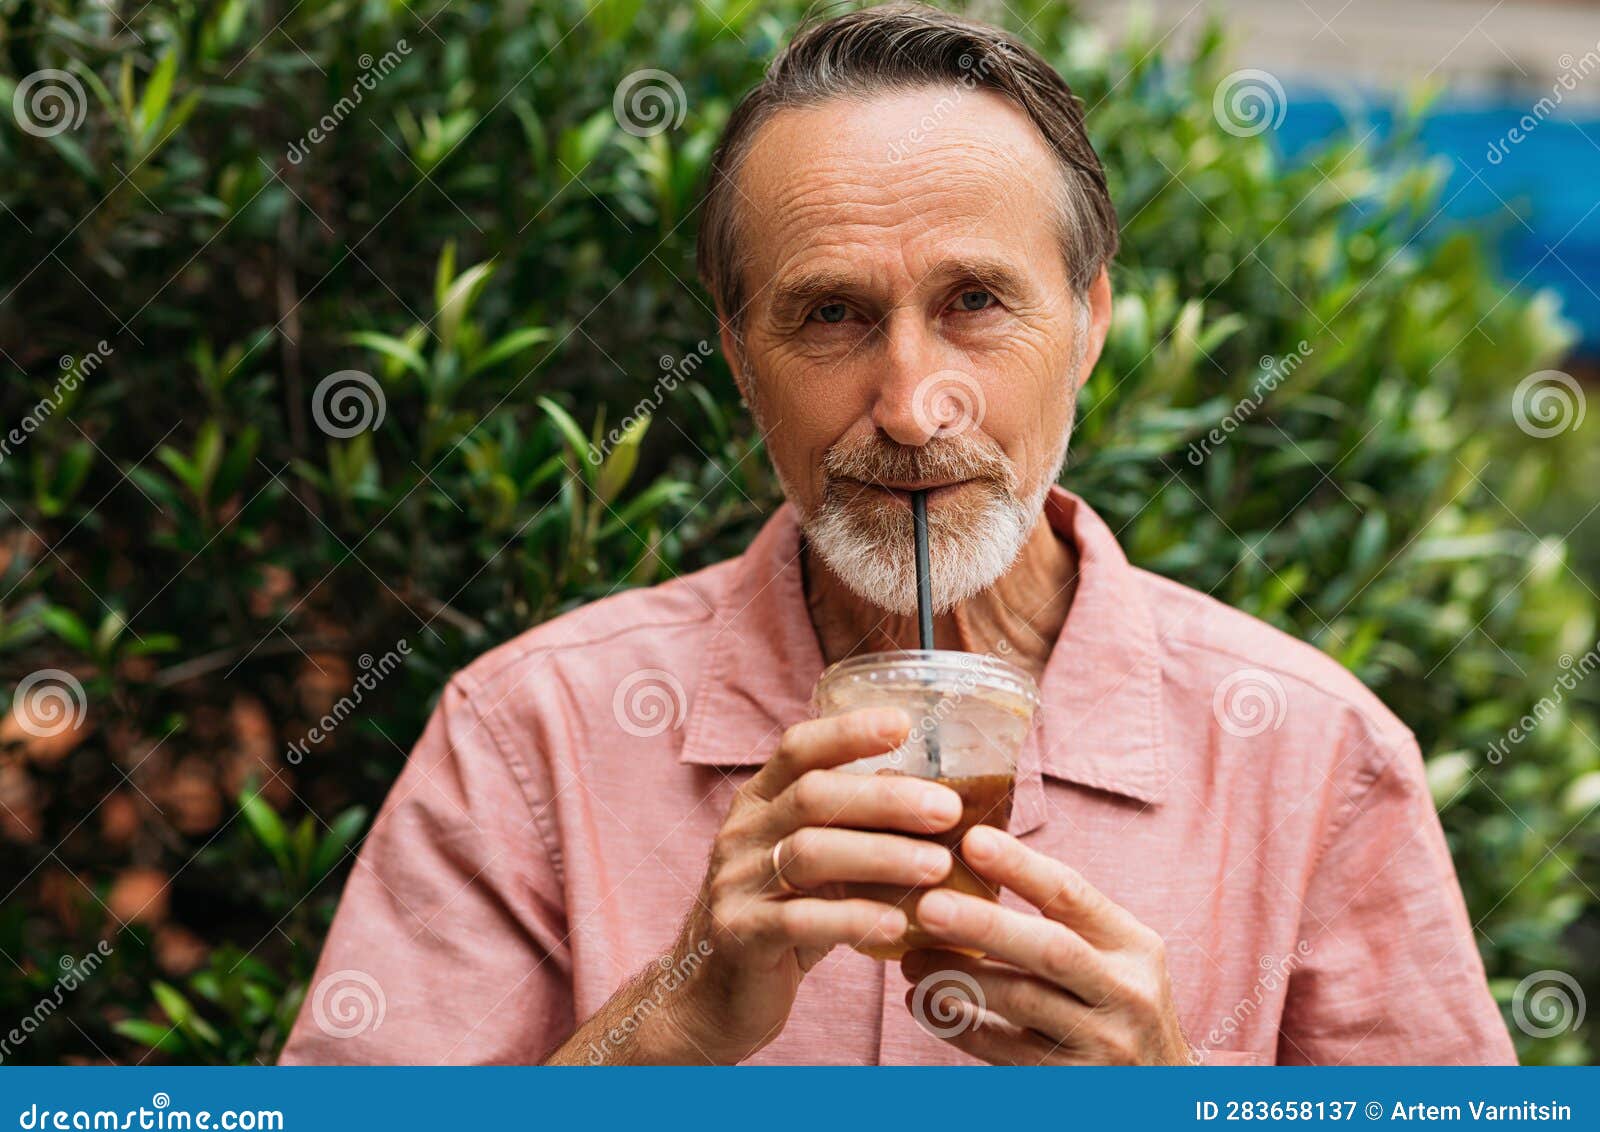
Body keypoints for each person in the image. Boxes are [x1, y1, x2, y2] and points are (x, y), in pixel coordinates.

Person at [279, 3, 1514, 1066]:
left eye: (975, 302)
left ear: (1087, 323)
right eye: (830, 314)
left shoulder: (1316, 756)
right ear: (737, 353)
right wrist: (670, 1024)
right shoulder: (530, 735)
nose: (914, 409)